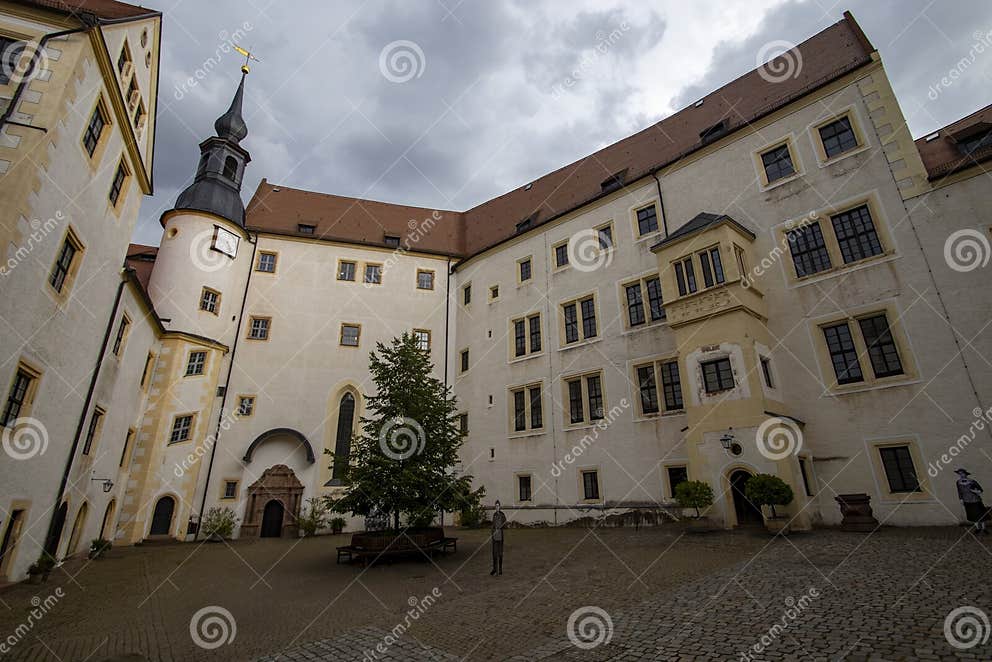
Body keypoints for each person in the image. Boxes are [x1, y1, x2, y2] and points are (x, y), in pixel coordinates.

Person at [956, 468, 988, 535]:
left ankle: (984, 528)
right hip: (967, 501)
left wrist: (974, 491)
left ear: (965, 474)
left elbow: (980, 490)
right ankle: (978, 528)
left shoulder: (972, 481)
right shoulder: (958, 482)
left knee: (981, 515)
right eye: (960, 473)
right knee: (973, 516)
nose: (961, 475)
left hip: (975, 500)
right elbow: (959, 492)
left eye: (962, 473)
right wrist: (961, 499)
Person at [490, 500, 507, 576]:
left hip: (500, 536)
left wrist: (500, 527)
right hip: (494, 536)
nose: (497, 507)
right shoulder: (494, 515)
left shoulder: (502, 515)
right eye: (496, 506)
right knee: (494, 553)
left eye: (498, 506)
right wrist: (493, 532)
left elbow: (505, 524)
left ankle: (500, 569)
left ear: (500, 507)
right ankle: (494, 569)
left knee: (500, 553)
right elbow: (493, 525)